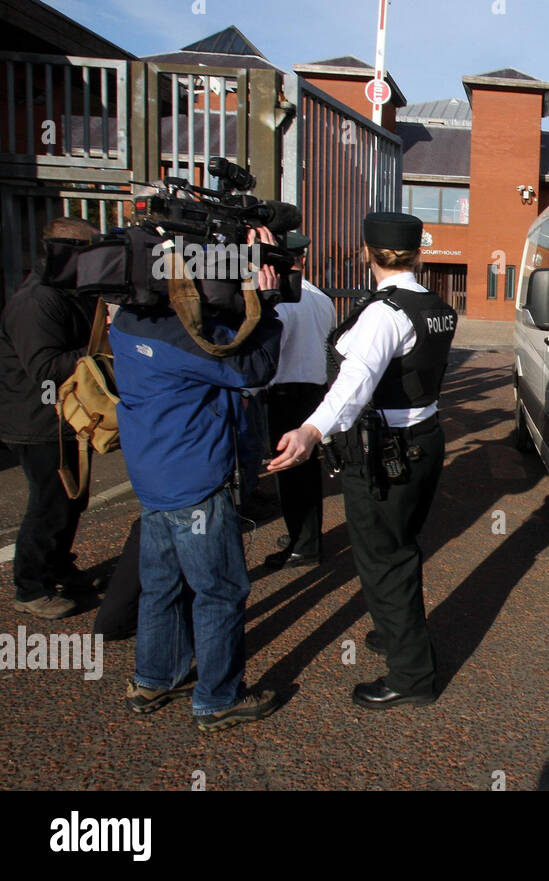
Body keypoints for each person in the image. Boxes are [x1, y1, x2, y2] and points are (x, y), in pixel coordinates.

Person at [269, 213, 457, 710]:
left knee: (384, 557)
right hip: (424, 437)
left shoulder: (382, 313)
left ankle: (412, 675)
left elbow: (355, 383)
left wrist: (311, 430)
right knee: (399, 544)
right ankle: (396, 632)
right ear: (418, 254)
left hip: (387, 447)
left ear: (366, 253)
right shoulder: (435, 304)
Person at [111, 226, 282, 732]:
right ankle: (217, 699)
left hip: (152, 476)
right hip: (196, 482)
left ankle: (154, 678)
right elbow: (253, 369)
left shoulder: (127, 320)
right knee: (219, 591)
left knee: (161, 586)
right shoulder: (190, 341)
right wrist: (265, 306)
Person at [0, 217, 99, 619]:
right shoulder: (37, 300)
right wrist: (104, 354)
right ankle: (30, 587)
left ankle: (59, 566)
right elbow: (46, 367)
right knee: (49, 503)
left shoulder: (68, 290)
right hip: (37, 419)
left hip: (63, 416)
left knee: (71, 502)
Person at [263, 232, 335, 569]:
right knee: (306, 470)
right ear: (302, 259)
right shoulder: (320, 296)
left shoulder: (281, 299)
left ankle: (303, 545)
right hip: (314, 390)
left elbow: (272, 351)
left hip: (285, 391)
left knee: (289, 473)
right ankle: (304, 536)